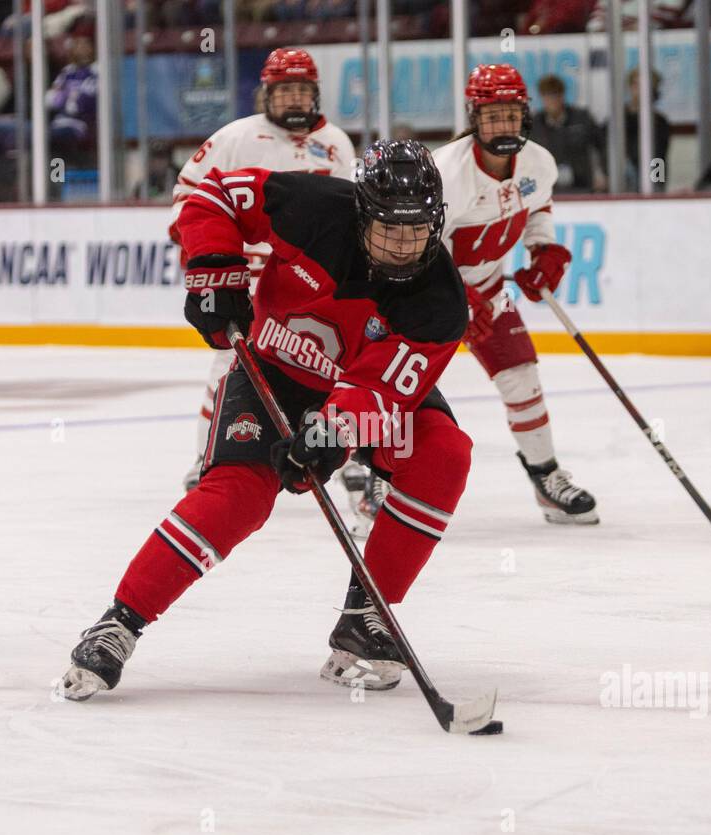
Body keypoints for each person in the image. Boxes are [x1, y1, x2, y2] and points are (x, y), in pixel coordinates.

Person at [58, 141, 472, 699]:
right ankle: (119, 622)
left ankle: (367, 614)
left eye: (417, 229)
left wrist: (331, 433)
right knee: (239, 496)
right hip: (273, 376)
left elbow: (378, 391)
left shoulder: (438, 301)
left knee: (443, 452)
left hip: (355, 394)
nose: (403, 245)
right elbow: (216, 194)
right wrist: (213, 269)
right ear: (362, 212)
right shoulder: (312, 205)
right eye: (389, 229)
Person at [168, 48, 355, 491]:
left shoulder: (338, 144)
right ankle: (208, 457)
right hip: (248, 279)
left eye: (301, 91)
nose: (293, 99)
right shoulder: (235, 137)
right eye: (284, 90)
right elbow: (188, 197)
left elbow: (351, 217)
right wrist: (204, 253)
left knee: (331, 367)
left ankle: (348, 465)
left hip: (311, 282)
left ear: (315, 95)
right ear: (265, 95)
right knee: (231, 367)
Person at [430, 63, 596, 525]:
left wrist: (542, 249)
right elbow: (420, 245)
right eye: (492, 116)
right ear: (473, 118)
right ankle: (380, 478)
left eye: (511, 115)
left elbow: (538, 206)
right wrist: (455, 300)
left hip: (486, 290)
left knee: (521, 374)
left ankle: (546, 478)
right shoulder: (448, 172)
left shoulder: (538, 162)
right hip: (424, 294)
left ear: (524, 115)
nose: (503, 125)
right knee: (400, 385)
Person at [528, 73, 604, 193]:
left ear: (562, 95)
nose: (552, 100)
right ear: (541, 97)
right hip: (547, 188)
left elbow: (601, 146)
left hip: (583, 185)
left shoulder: (582, 118)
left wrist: (601, 174)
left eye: (555, 95)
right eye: (547, 95)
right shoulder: (534, 124)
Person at [607, 66, 671, 192]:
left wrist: (659, 185)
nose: (640, 89)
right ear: (630, 86)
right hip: (623, 178)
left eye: (646, 85)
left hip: (649, 176)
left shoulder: (659, 122)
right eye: (636, 84)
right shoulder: (618, 119)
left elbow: (659, 157)